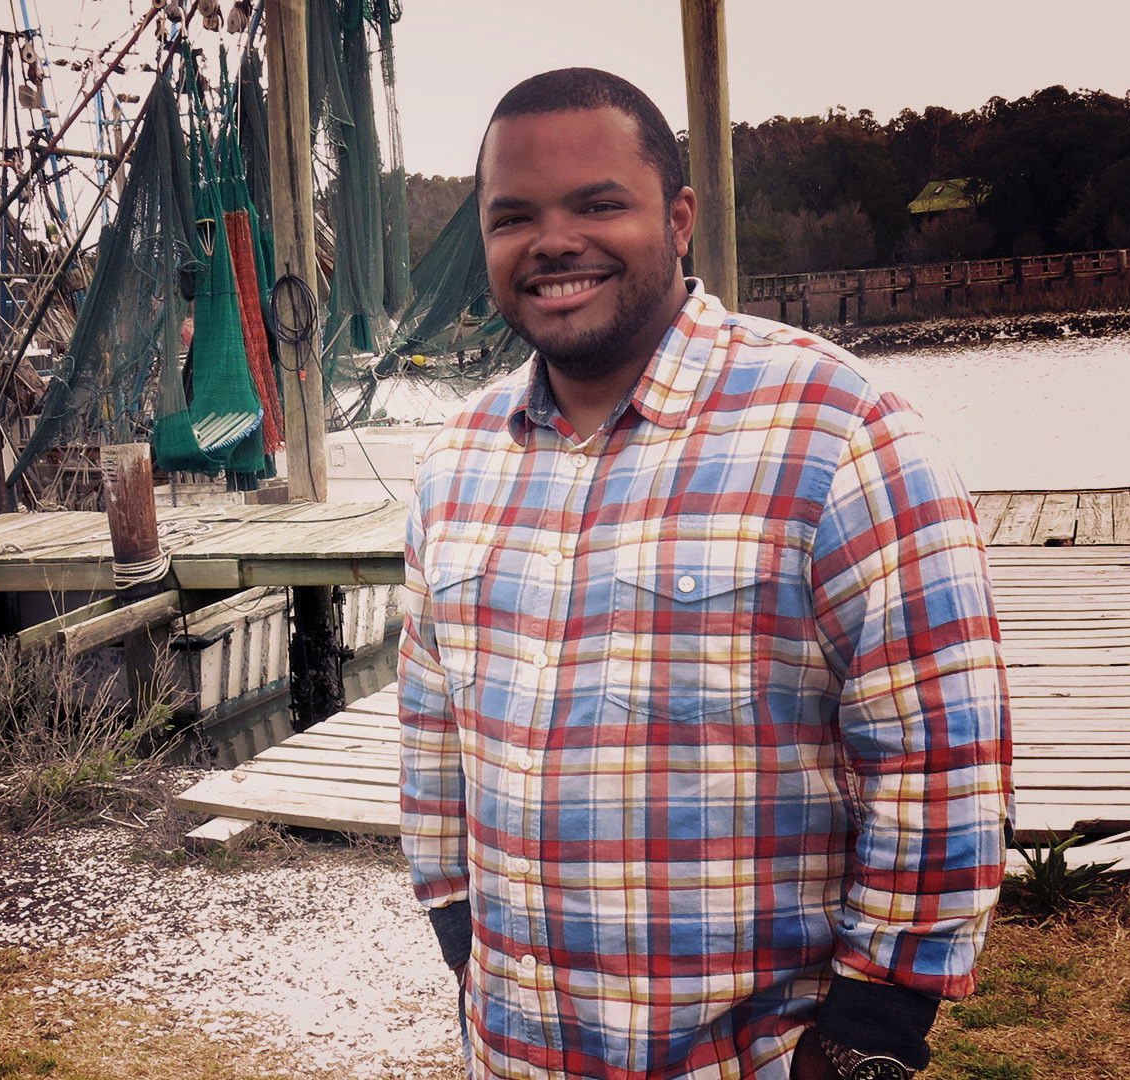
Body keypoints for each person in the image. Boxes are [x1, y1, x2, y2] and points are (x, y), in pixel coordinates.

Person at [398, 68, 1012, 1080]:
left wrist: (873, 1030)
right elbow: (432, 739)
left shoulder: (839, 432)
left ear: (679, 218)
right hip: (513, 1054)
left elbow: (942, 760)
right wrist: (458, 930)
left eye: (600, 204)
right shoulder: (456, 464)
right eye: (515, 217)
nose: (554, 241)